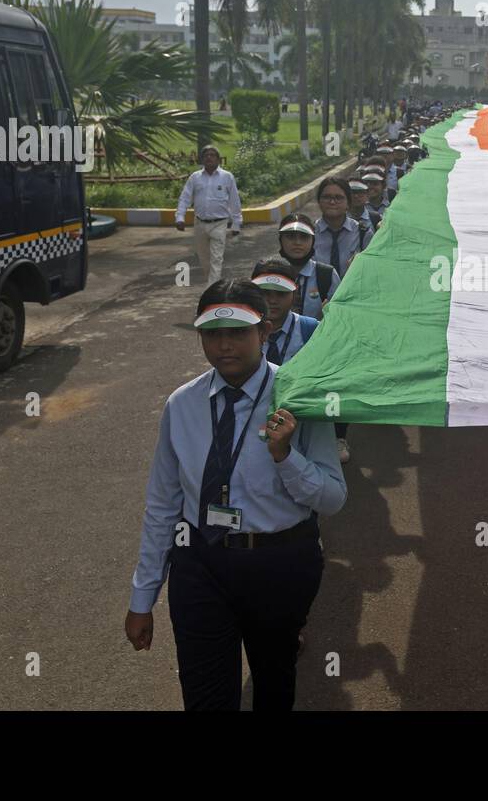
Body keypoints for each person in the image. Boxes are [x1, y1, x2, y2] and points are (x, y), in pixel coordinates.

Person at [124, 279, 346, 711]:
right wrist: (142, 599)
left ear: (264, 333)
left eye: (238, 333)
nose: (224, 346)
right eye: (212, 334)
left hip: (279, 563)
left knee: (273, 682)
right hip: (200, 563)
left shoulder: (298, 398)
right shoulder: (182, 404)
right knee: (205, 695)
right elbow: (162, 505)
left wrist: (285, 456)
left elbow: (333, 498)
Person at [175, 145, 243, 284]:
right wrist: (180, 217)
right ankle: (212, 283)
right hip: (200, 224)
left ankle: (212, 290)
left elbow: (234, 201)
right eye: (206, 155)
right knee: (204, 259)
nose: (209, 157)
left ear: (219, 159)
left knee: (216, 259)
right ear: (202, 159)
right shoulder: (195, 177)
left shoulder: (227, 177)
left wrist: (236, 223)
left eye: (212, 155)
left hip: (219, 224)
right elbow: (185, 198)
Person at [251, 257, 320, 363]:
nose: (273, 300)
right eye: (265, 293)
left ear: (295, 293)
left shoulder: (312, 330)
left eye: (281, 293)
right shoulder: (243, 331)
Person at [276, 212, 338, 321]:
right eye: (290, 237)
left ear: (313, 241)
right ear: (281, 240)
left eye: (304, 237)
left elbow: (339, 315)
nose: (297, 242)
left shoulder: (327, 274)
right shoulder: (270, 274)